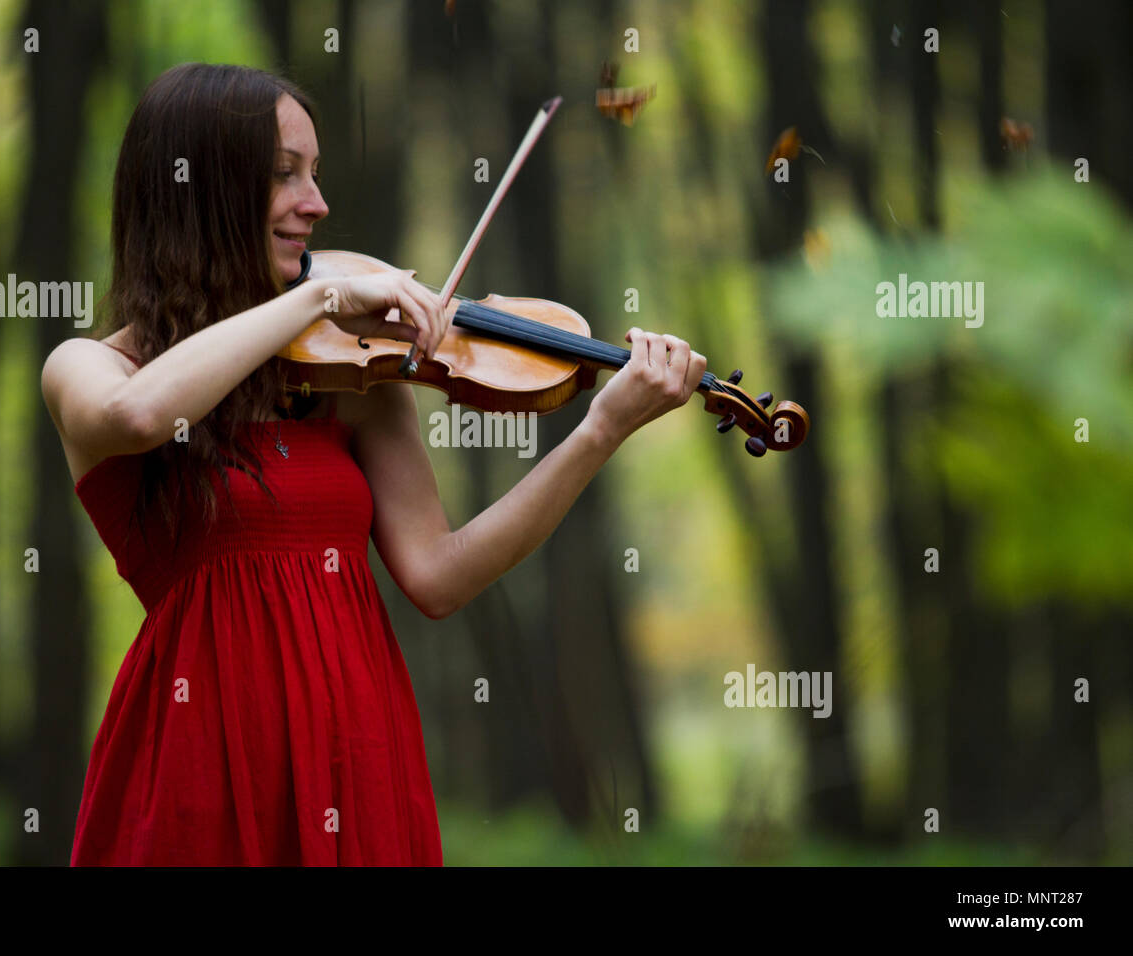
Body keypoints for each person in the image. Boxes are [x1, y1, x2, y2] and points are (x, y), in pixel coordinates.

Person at [40, 62, 706, 866]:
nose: (316, 204)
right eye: (284, 174)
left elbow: (438, 574)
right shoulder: (89, 368)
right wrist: (315, 300)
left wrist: (600, 430)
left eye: (315, 174)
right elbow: (141, 415)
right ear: (200, 187)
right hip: (203, 749)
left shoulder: (349, 374)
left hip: (352, 745)